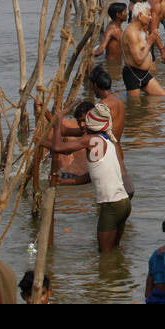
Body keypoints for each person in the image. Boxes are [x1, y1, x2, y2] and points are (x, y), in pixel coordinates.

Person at [45, 102, 132, 253]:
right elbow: (91, 177)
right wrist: (63, 182)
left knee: (104, 255)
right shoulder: (107, 141)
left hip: (111, 206)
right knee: (115, 251)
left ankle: (106, 276)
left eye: (86, 121)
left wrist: (56, 123)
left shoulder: (92, 140)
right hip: (123, 204)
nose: (82, 125)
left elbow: (58, 147)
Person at [122, 2, 165, 95]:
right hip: (133, 74)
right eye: (148, 15)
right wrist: (150, 42)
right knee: (135, 107)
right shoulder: (131, 33)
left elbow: (142, 50)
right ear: (140, 15)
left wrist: (147, 41)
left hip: (144, 74)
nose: (150, 18)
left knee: (163, 97)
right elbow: (138, 60)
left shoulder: (140, 30)